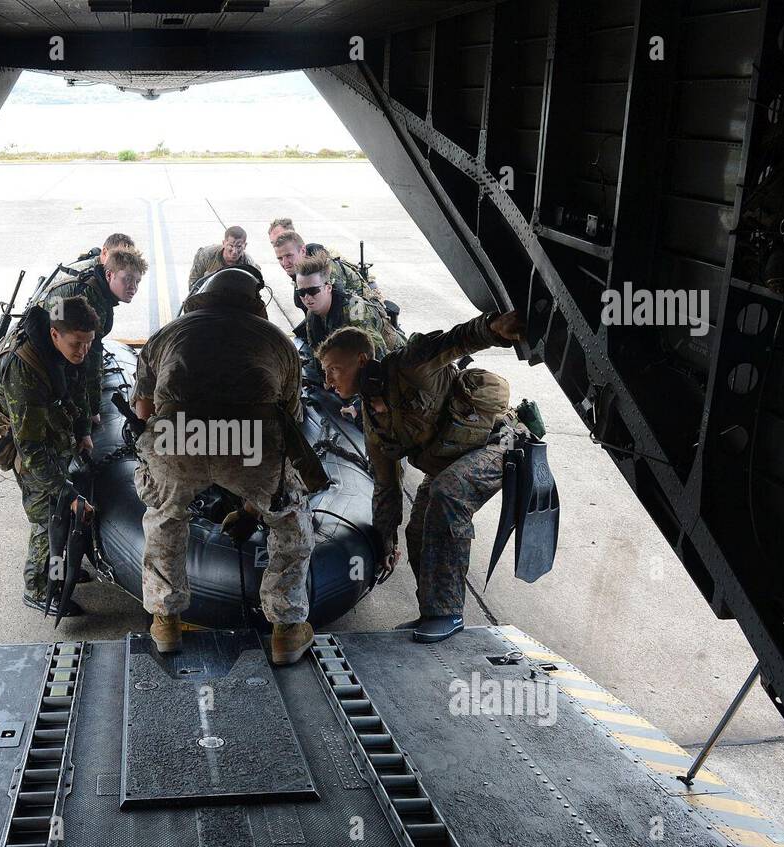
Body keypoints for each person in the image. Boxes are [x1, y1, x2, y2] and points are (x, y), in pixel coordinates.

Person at [130, 268, 324, 665]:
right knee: (289, 519)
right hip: (251, 436)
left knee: (165, 516)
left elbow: (144, 409)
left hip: (179, 433)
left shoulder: (166, 335)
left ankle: (166, 620)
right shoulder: (278, 341)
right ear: (255, 300)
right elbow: (289, 415)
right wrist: (255, 501)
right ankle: (286, 629)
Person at [314, 309, 527, 643]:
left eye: (334, 371)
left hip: (502, 442)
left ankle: (447, 613)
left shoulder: (409, 365)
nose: (328, 381)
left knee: (448, 492)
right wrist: (387, 540)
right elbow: (386, 486)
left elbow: (455, 341)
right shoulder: (373, 422)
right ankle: (431, 611)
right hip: (450, 461)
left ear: (361, 359)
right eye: (325, 374)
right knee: (417, 529)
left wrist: (493, 328)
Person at [0, 296, 99, 617]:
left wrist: (82, 431)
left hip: (52, 427)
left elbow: (75, 386)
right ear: (55, 335)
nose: (83, 350)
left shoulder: (67, 351)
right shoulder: (23, 369)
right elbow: (31, 449)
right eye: (76, 343)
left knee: (63, 515)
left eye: (88, 343)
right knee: (47, 518)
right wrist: (67, 494)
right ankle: (40, 586)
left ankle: (60, 569)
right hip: (31, 445)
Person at [33, 247, 147, 427]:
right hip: (45, 352)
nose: (133, 287)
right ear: (109, 275)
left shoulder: (97, 288)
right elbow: (89, 361)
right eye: (127, 279)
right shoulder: (92, 298)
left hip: (56, 344)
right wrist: (93, 410)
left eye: (137, 282)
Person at [294, 252, 403, 356]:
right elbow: (318, 353)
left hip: (397, 360)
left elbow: (377, 356)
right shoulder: (312, 315)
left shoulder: (355, 311)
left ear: (328, 288)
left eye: (313, 291)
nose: (307, 297)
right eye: (301, 292)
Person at [271, 229, 381, 309]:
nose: (285, 263)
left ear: (303, 251)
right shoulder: (303, 270)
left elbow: (341, 307)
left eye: (289, 256)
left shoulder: (324, 271)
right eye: (280, 258)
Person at [186, 226, 258, 293]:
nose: (234, 251)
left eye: (239, 246)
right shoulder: (207, 255)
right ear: (224, 243)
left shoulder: (249, 264)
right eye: (231, 245)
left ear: (245, 246)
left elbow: (254, 288)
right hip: (208, 293)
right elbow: (194, 282)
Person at [67, 231, 135, 275]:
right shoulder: (86, 275)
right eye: (118, 257)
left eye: (127, 259)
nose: (123, 264)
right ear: (105, 252)